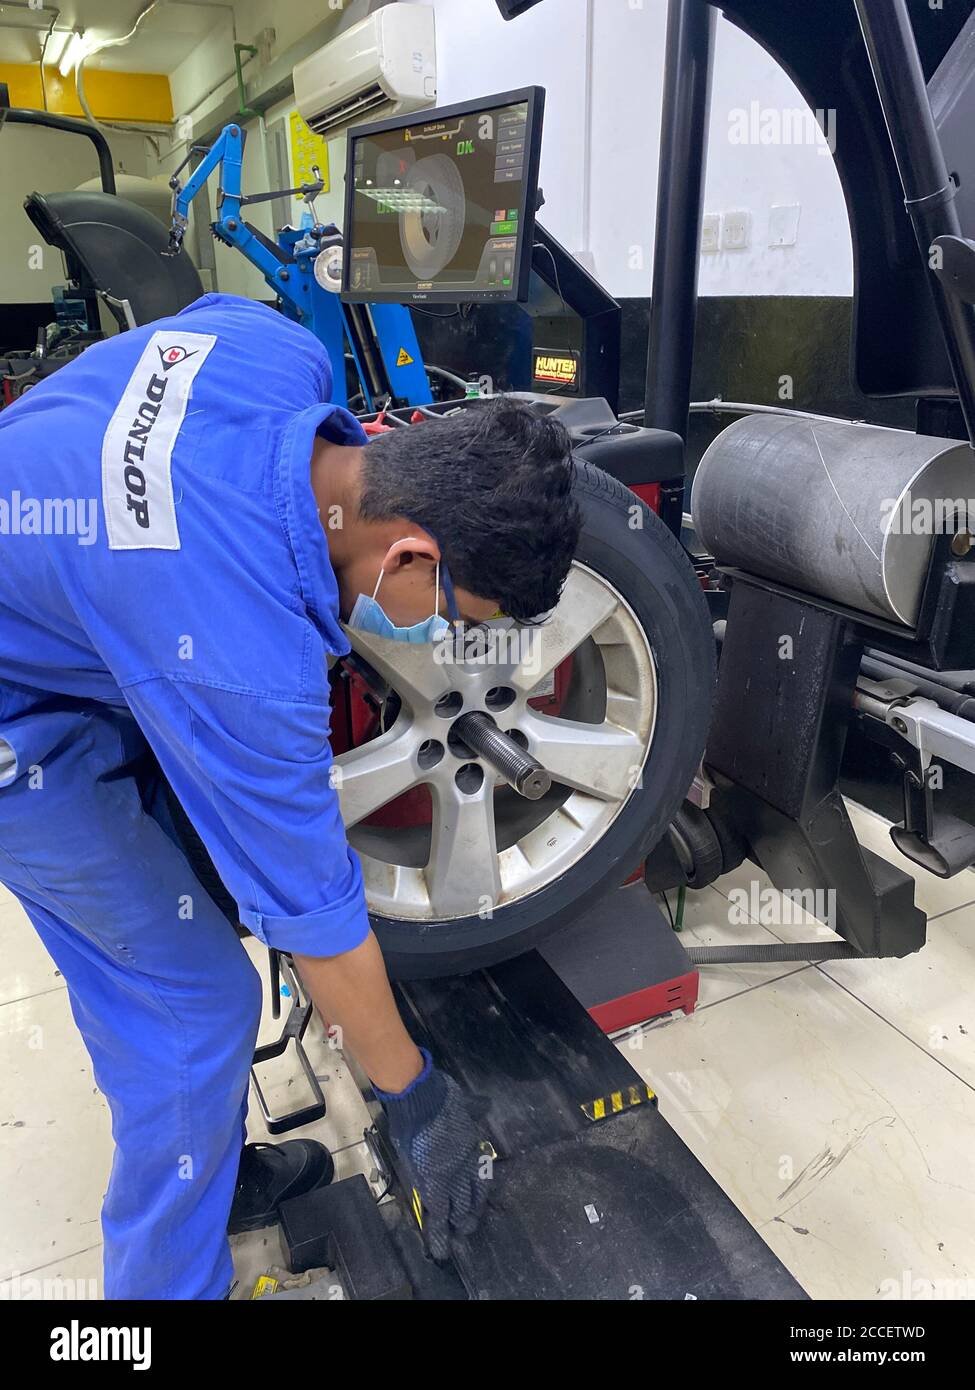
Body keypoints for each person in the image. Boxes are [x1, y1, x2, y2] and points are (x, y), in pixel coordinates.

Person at [0, 292, 580, 1299]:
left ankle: (208, 1168)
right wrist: (415, 1097)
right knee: (190, 1007)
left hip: (53, 600)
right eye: (453, 616)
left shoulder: (272, 349)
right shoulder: (236, 662)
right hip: (21, 724)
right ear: (408, 555)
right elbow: (320, 925)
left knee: (188, 919)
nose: (442, 646)